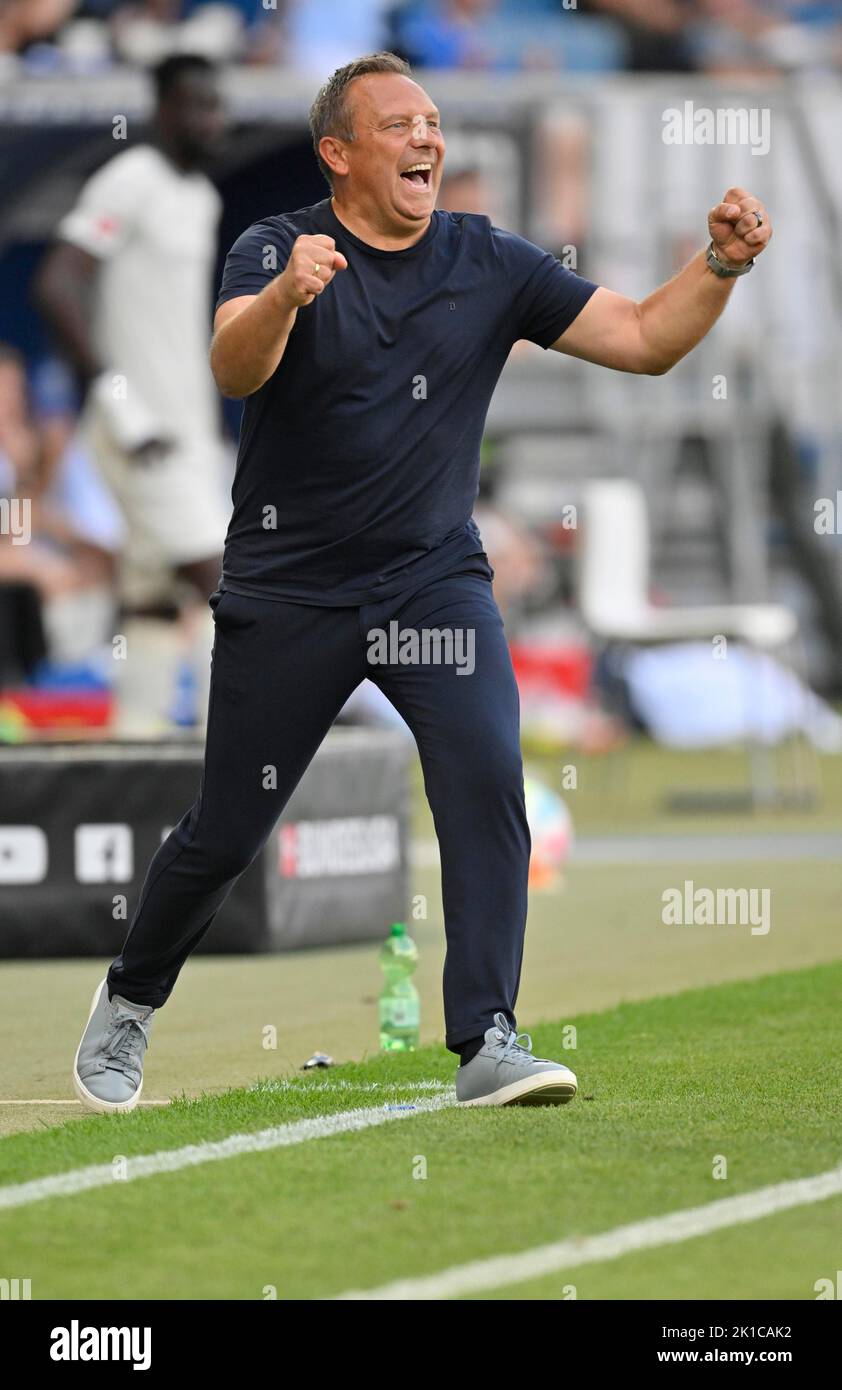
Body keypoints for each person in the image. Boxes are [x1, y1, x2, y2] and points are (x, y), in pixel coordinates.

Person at [72, 51, 772, 1112]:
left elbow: (638, 338)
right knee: (224, 831)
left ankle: (486, 1035)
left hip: (429, 584)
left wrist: (714, 268)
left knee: (486, 773)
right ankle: (130, 996)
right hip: (289, 588)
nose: (426, 139)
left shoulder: (486, 258)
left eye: (433, 122)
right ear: (338, 153)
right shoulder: (276, 247)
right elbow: (232, 367)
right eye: (398, 124)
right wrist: (286, 299)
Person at [34, 52, 230, 737]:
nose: (210, 119)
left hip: (186, 433)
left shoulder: (200, 198)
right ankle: (242, 765)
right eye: (194, 104)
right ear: (161, 109)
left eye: (216, 104)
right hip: (141, 432)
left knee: (152, 598)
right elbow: (57, 284)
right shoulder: (131, 179)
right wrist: (121, 403)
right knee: (228, 588)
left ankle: (139, 743)